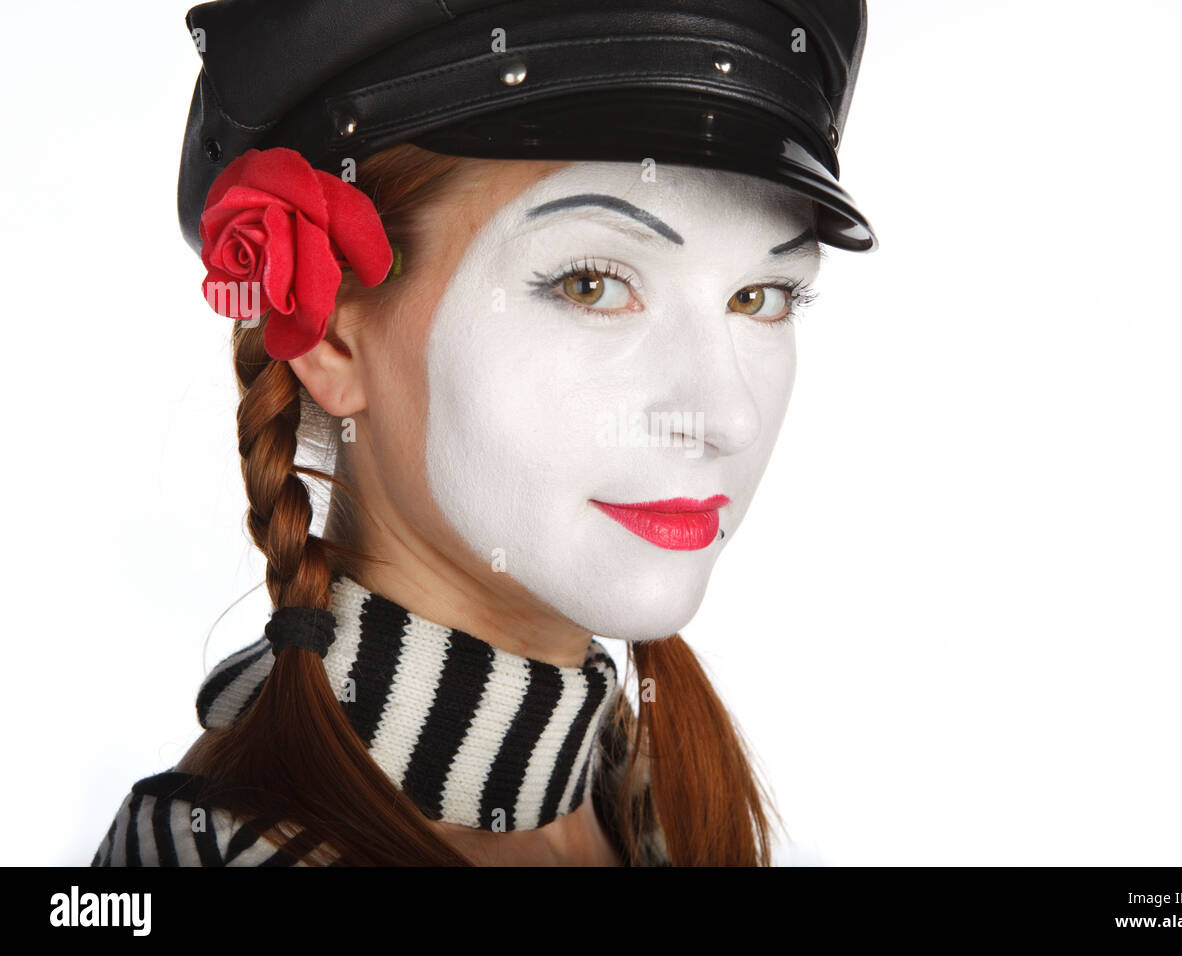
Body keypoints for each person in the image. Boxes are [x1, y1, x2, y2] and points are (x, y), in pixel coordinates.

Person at [92, 0, 877, 867]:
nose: (727, 417)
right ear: (332, 332)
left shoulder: (641, 791)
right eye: (591, 285)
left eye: (761, 297)